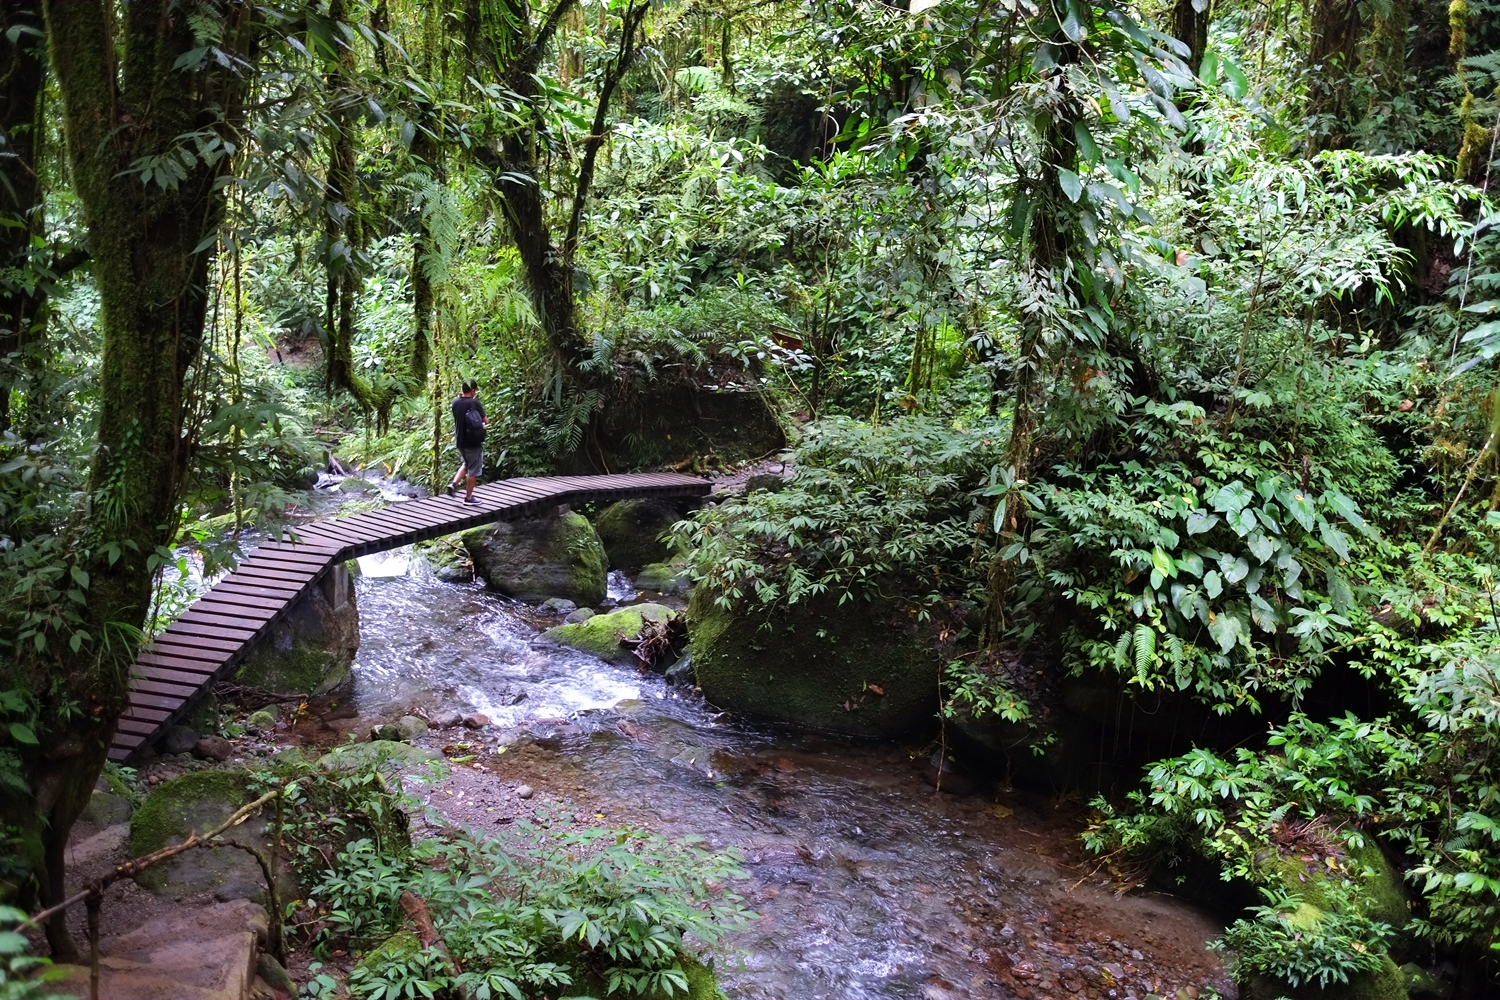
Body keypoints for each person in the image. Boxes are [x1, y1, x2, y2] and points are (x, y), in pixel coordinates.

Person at [447, 380, 488, 503]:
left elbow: (461, 404)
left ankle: (454, 484)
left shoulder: (455, 403)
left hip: (460, 441)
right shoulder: (474, 403)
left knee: (466, 463)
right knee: (473, 469)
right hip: (472, 442)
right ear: (473, 390)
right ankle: (468, 498)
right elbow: (486, 421)